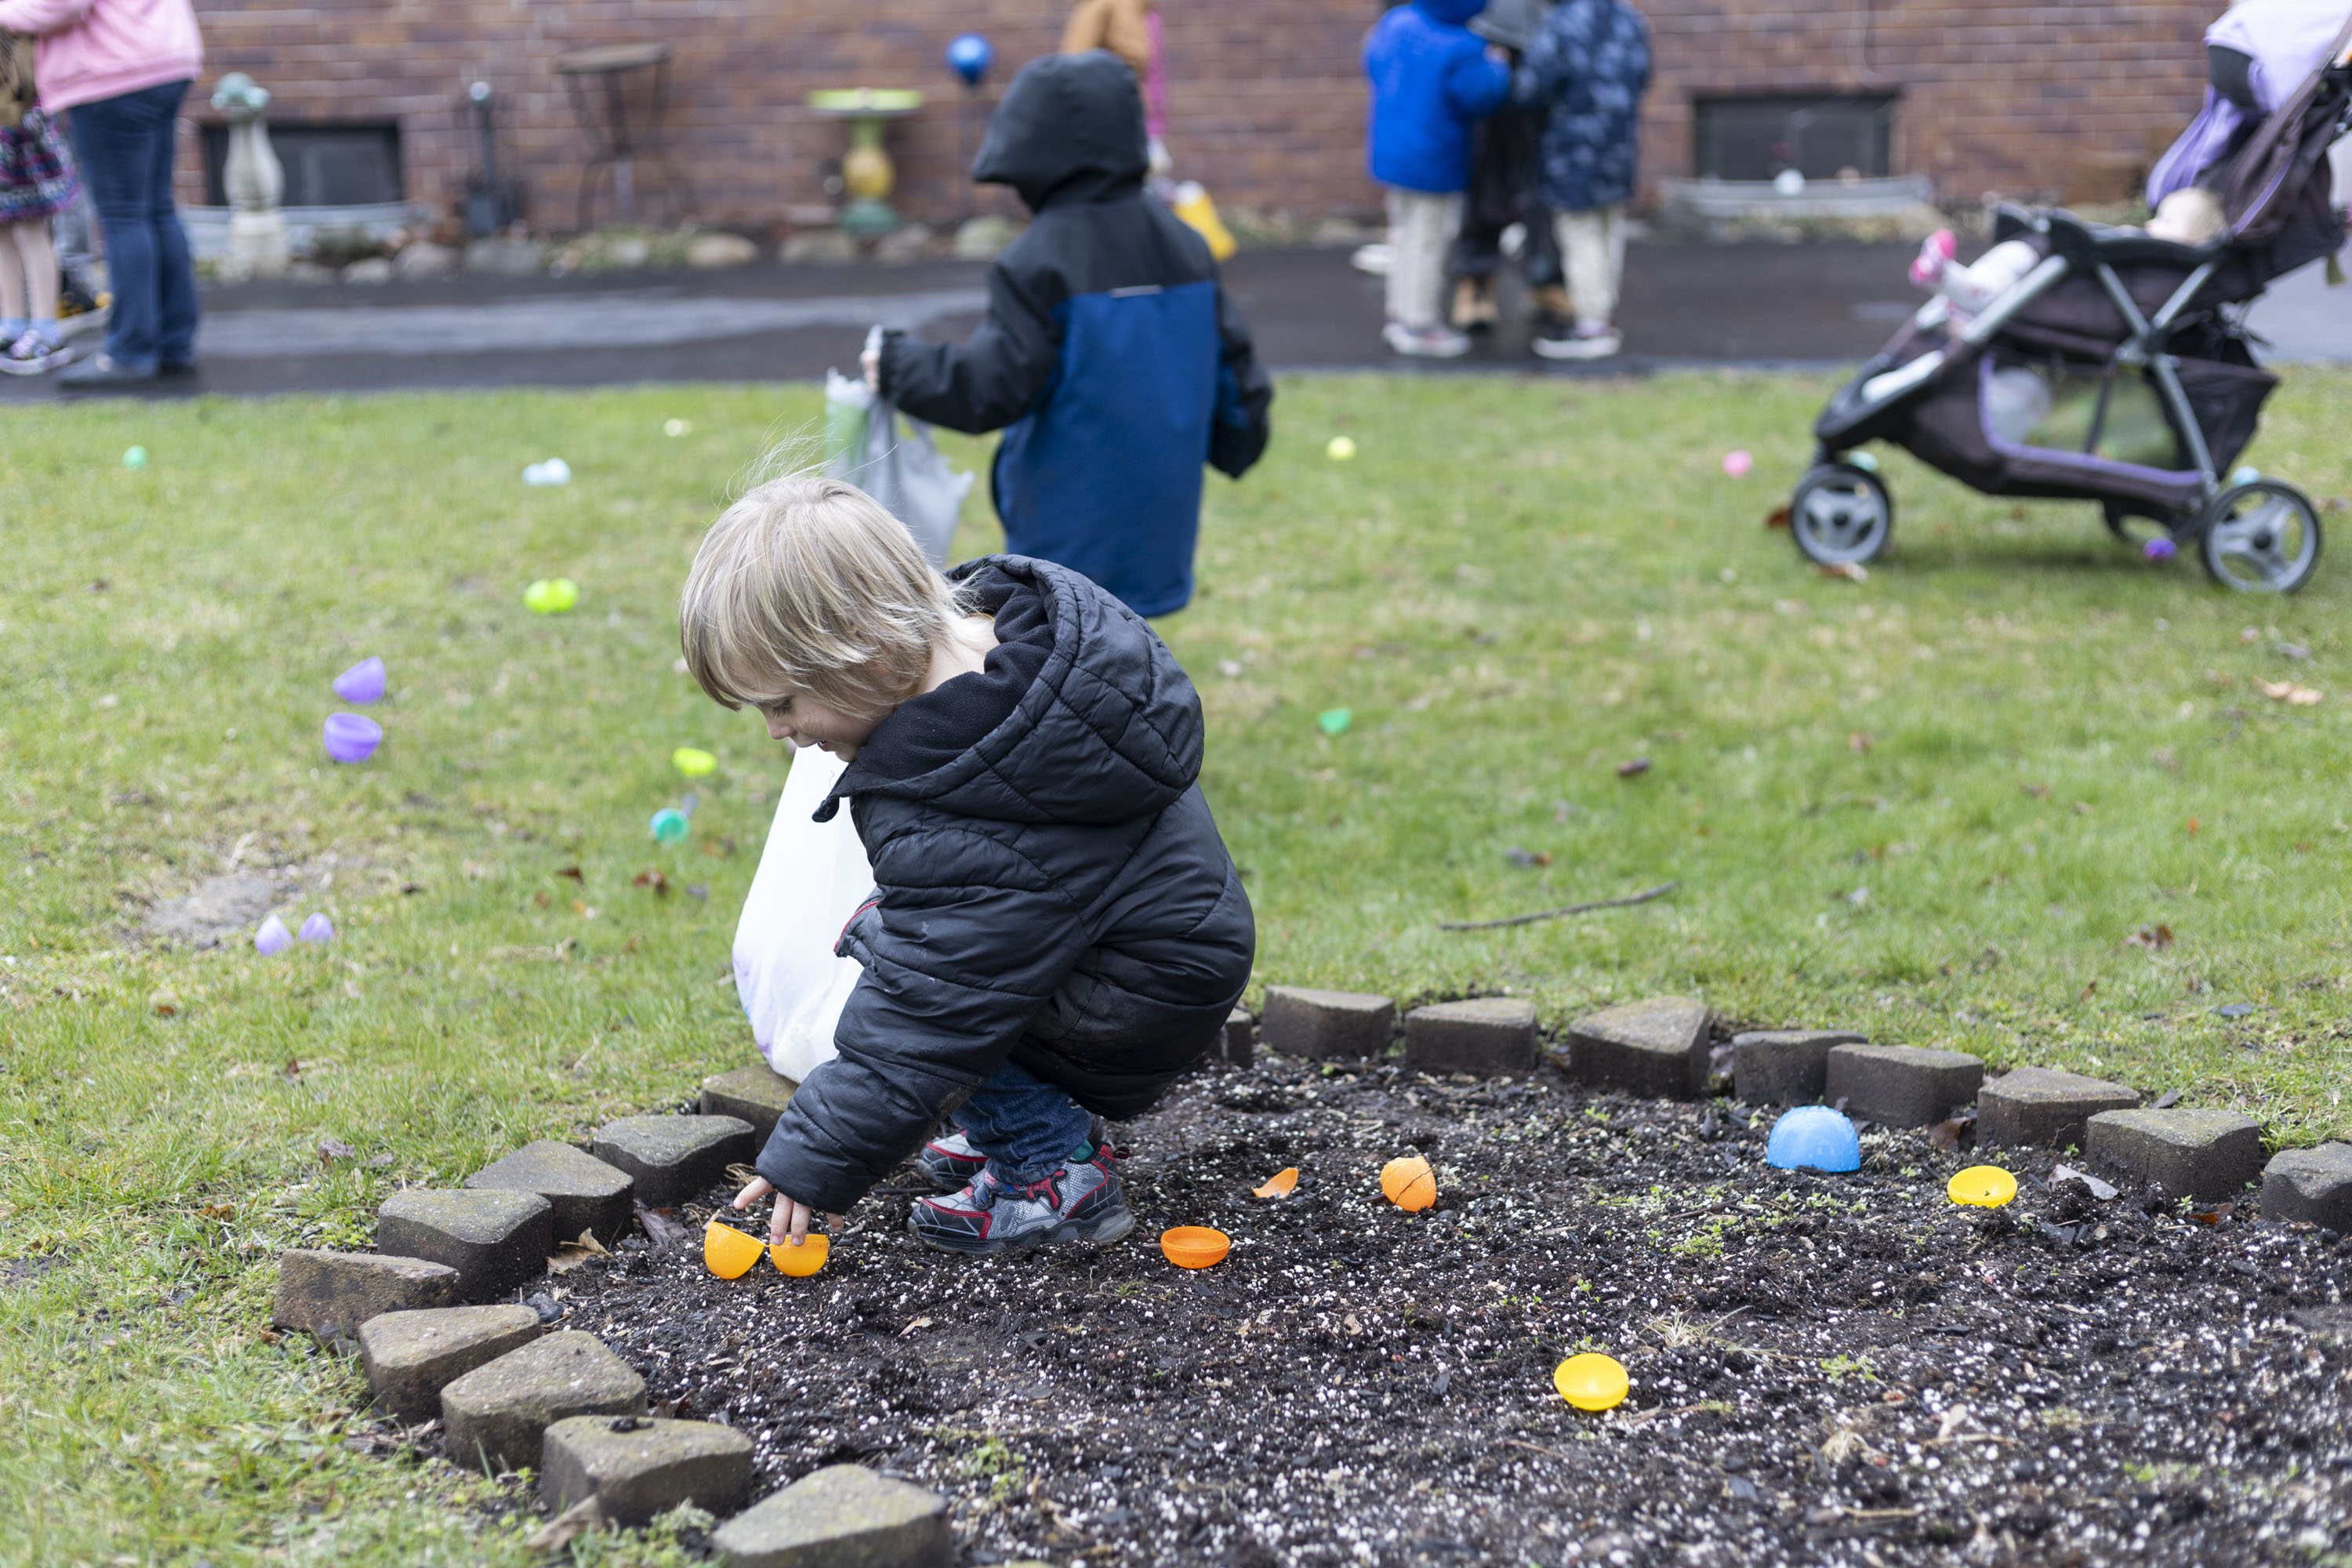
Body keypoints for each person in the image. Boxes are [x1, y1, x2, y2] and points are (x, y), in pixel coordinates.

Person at [680, 473, 1255, 1257]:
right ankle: (1029, 1122)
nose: (778, 730)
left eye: (782, 702)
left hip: (1138, 993)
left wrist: (813, 1155)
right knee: (930, 951)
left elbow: (930, 1005)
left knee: (906, 959)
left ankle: (1052, 1175)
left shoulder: (965, 785)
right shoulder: (1010, 655)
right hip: (1162, 950)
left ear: (870, 654)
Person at [866, 50, 1270, 621]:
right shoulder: (1186, 246)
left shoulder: (1038, 260)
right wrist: (1239, 442)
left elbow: (989, 388)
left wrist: (897, 362)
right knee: (1130, 659)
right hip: (1160, 518)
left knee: (1066, 665)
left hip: (1065, 526)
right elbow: (1236, 373)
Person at [0, 0, 201, 387]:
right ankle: (174, 345)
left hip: (113, 71)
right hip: (167, 59)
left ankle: (129, 352)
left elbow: (63, 4)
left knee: (124, 214)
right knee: (156, 209)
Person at [1362, 0, 1511, 358]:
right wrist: (1498, 68)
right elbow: (1480, 98)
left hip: (1392, 154)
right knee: (1428, 243)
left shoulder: (1398, 22)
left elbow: (1371, 63)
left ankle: (1399, 316)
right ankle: (1419, 325)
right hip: (1434, 163)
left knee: (1404, 237)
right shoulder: (1465, 45)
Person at [1515, 0, 1650, 360]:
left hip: (1572, 150)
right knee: (1609, 228)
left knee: (1580, 233)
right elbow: (1643, 75)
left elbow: (1530, 88)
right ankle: (1603, 313)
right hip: (1619, 147)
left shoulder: (1560, 24)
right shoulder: (1629, 19)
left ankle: (1591, 326)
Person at [1450, 0, 1569, 336]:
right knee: (1486, 182)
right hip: (1491, 47)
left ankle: (1546, 283)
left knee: (1540, 189)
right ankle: (1476, 284)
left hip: (1542, 50)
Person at [0, 27, 78, 372]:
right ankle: (13, 322)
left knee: (31, 233)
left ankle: (47, 328)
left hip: (21, 148)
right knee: (3, 235)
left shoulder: (16, 25)